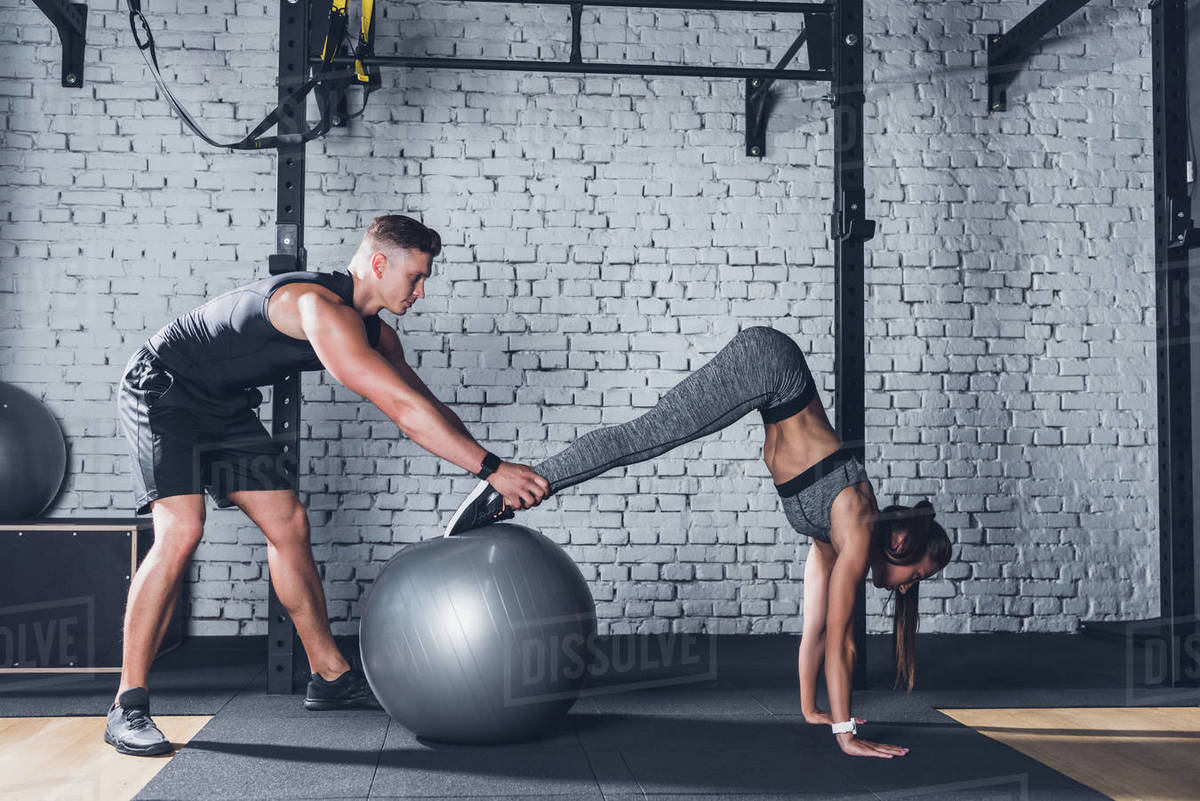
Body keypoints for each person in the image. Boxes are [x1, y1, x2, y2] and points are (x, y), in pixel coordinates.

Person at [107, 215, 550, 756]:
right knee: (182, 530)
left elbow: (424, 404)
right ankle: (127, 705)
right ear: (379, 263)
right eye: (415, 276)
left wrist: (491, 471)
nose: (421, 290)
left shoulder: (376, 334)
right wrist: (491, 469)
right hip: (164, 387)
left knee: (288, 523)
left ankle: (331, 678)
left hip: (223, 405)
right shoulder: (316, 307)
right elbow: (402, 413)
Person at [445, 325, 953, 759]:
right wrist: (847, 735)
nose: (907, 589)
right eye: (919, 577)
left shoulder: (835, 539)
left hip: (772, 379)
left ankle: (513, 489)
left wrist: (812, 711)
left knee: (641, 438)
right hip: (771, 367)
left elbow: (816, 630)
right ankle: (507, 489)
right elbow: (844, 637)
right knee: (641, 438)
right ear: (904, 541)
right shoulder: (856, 521)